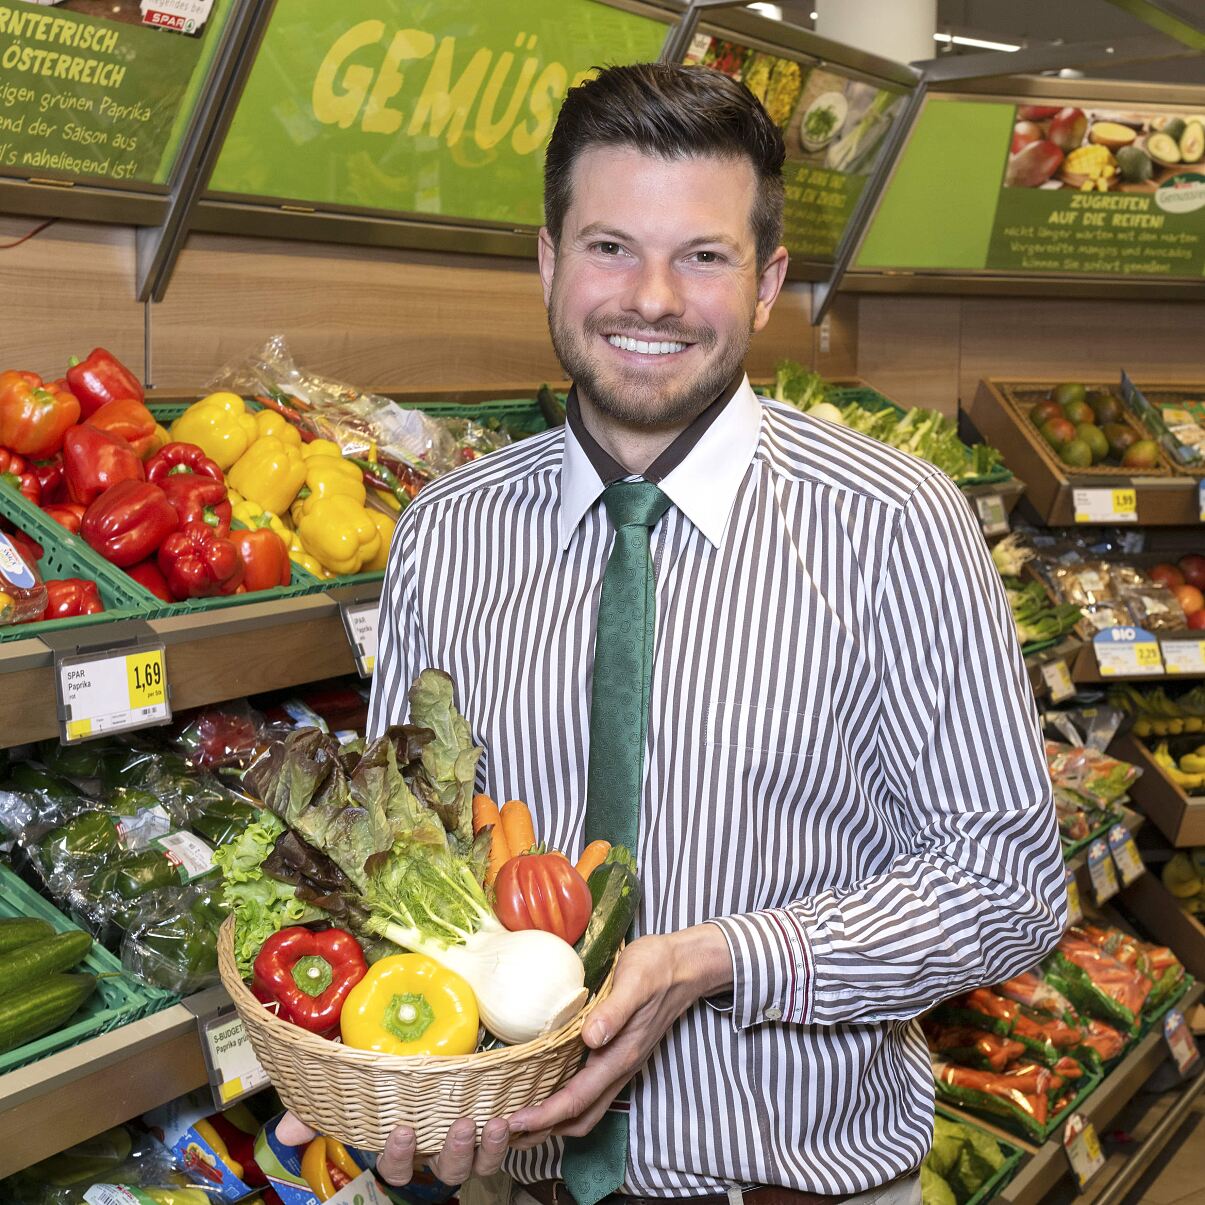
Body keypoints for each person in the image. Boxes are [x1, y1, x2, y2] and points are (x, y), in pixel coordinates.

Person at [280, 62, 1066, 1205]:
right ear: (549, 262)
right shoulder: (447, 533)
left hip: (788, 1186)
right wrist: (374, 1074)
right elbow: (407, 851)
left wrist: (723, 956)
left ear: (764, 283)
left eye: (701, 255)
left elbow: (1004, 883)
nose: (648, 296)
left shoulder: (893, 523)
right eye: (608, 246)